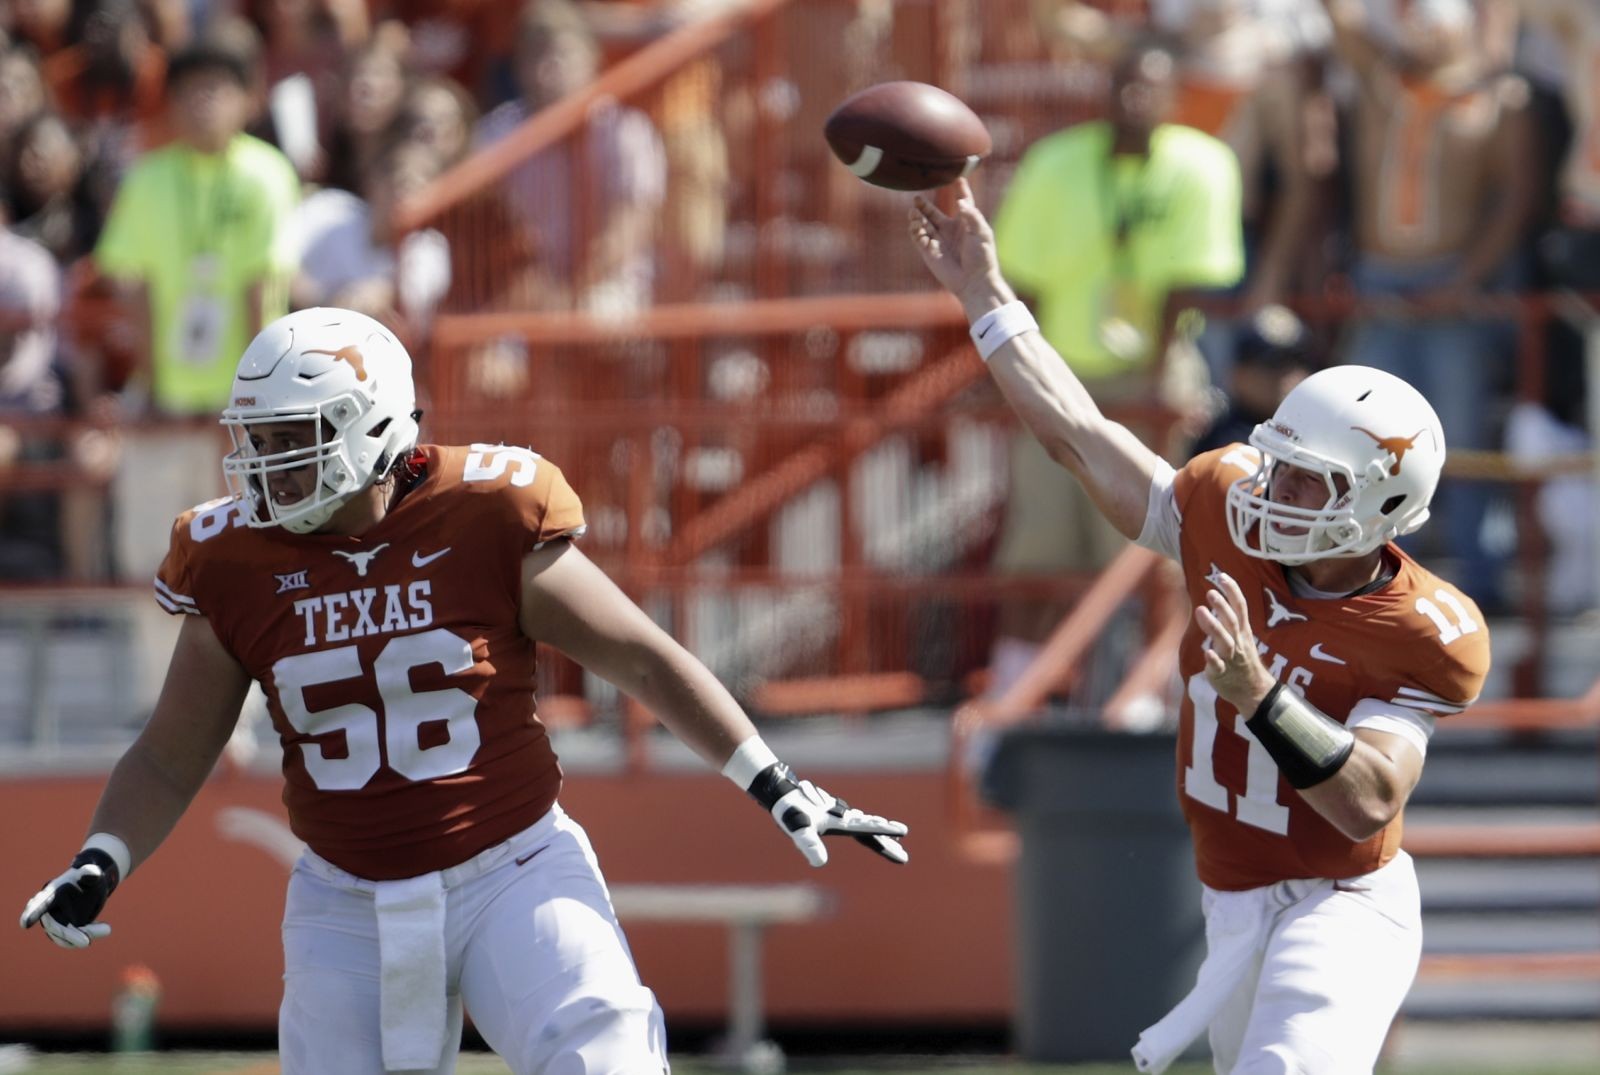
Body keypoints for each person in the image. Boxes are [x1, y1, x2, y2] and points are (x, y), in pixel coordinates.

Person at [18, 307, 908, 1075]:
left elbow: (638, 655)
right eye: (257, 438)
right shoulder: (230, 556)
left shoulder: (485, 508)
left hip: (510, 868)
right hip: (345, 896)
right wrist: (102, 857)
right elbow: (173, 751)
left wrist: (771, 777)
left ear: (374, 431)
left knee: (607, 1058)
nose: (266, 464)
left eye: (297, 438)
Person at [911, 180, 1489, 1073]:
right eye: (1279, 465)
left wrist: (1260, 697)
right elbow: (1078, 434)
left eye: (1308, 481)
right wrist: (987, 296)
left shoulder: (1422, 627)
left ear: (1383, 506)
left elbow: (1372, 797)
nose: (1275, 490)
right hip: (1231, 900)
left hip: (1343, 898)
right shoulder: (1224, 503)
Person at [985, 36, 1244, 695]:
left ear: (1174, 95)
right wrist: (1027, 368)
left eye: (1148, 85)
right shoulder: (1056, 161)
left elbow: (1190, 284)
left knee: (1152, 554)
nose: (1133, 98)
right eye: (1122, 83)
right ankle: (1012, 695)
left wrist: (1157, 383)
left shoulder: (1202, 163)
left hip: (1146, 380)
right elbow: (1023, 278)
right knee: (1037, 553)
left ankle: (1152, 699)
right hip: (1061, 371)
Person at [90, 33, 300, 582]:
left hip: (243, 405)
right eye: (188, 91)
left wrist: (251, 396)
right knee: (154, 559)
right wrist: (153, 384)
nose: (201, 102)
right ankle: (154, 673)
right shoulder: (147, 176)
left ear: (247, 100)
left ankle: (250, 673)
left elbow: (261, 286)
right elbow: (130, 284)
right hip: (162, 402)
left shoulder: (267, 173)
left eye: (216, 89)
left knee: (253, 555)